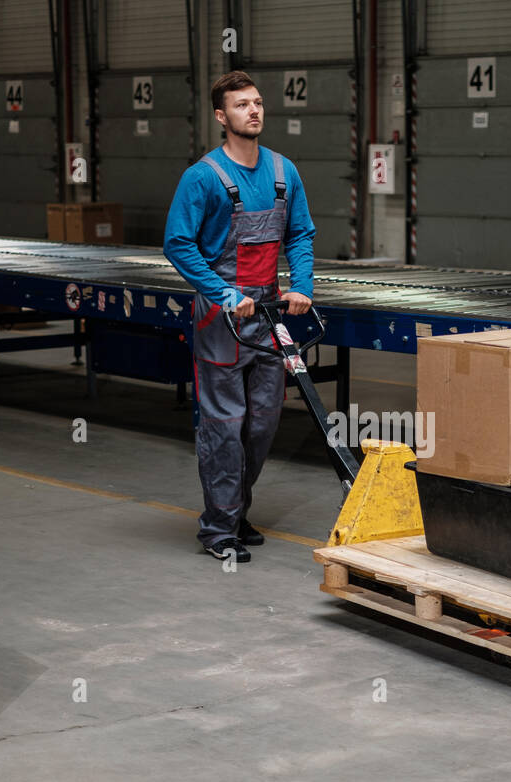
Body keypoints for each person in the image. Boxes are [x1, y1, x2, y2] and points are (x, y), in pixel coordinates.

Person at [164, 70, 316, 563]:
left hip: (270, 315)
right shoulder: (203, 177)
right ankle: (218, 528)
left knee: (262, 425)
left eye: (257, 103)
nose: (253, 111)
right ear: (220, 116)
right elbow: (178, 244)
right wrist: (222, 292)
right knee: (225, 425)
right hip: (223, 320)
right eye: (241, 105)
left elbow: (300, 236)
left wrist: (302, 287)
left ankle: (234, 510)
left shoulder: (283, 170)